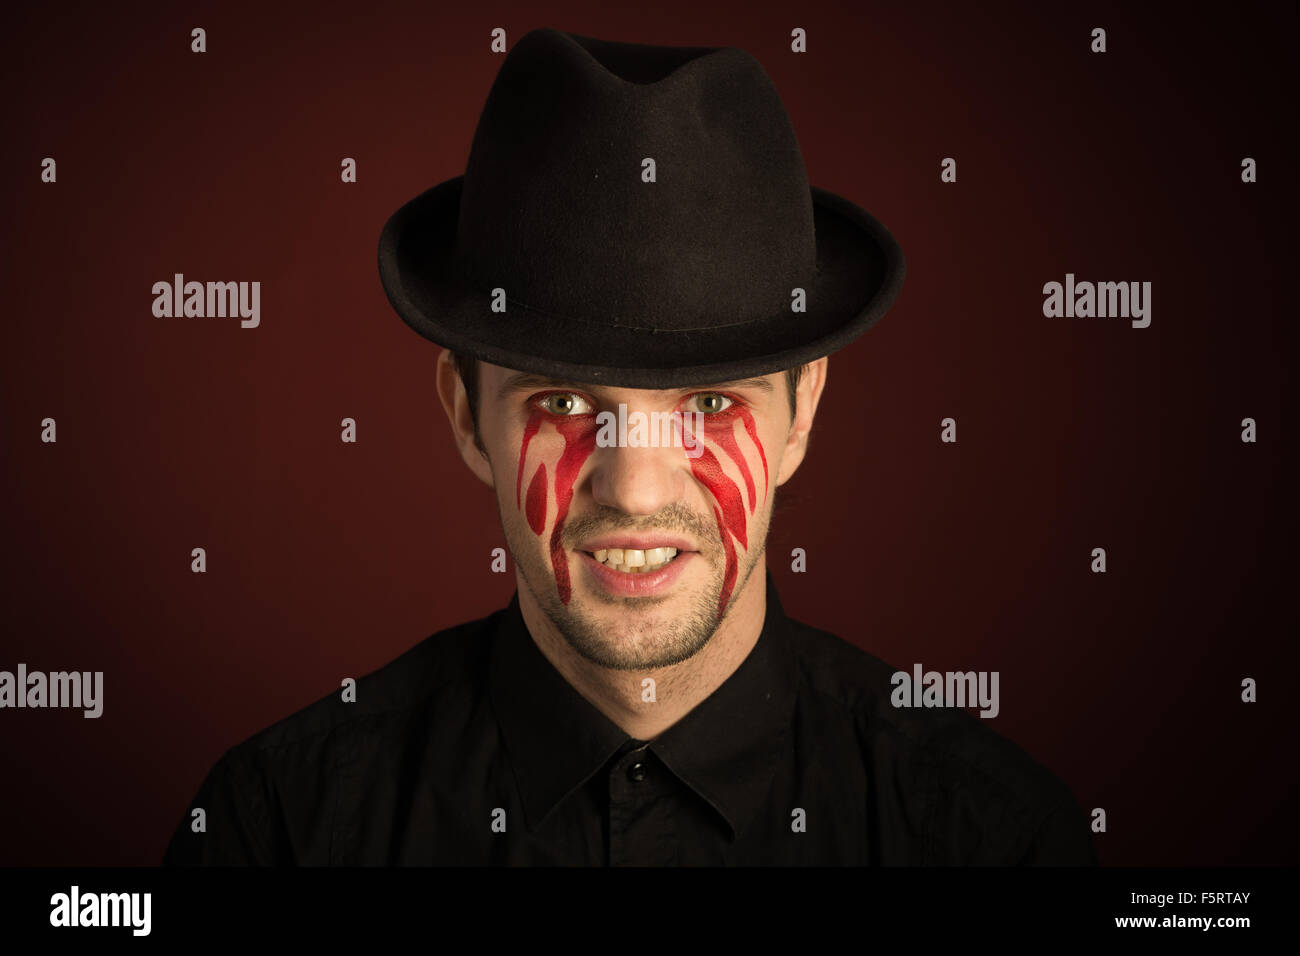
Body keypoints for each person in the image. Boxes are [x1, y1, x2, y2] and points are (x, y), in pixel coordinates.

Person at [163, 27, 1094, 865]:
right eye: (565, 399)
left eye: (710, 402)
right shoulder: (281, 830)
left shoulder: (993, 842)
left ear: (802, 411)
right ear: (464, 410)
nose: (638, 489)